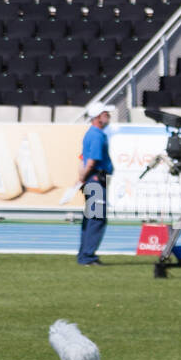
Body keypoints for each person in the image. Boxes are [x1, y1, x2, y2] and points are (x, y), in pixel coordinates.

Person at [78, 103, 113, 266]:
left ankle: (84, 254)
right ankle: (88, 256)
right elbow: (91, 161)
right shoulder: (98, 135)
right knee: (97, 218)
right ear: (98, 116)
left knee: (91, 218)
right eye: (106, 113)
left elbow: (82, 159)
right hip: (97, 180)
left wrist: (82, 178)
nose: (109, 116)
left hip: (92, 180)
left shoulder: (90, 134)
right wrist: (84, 177)